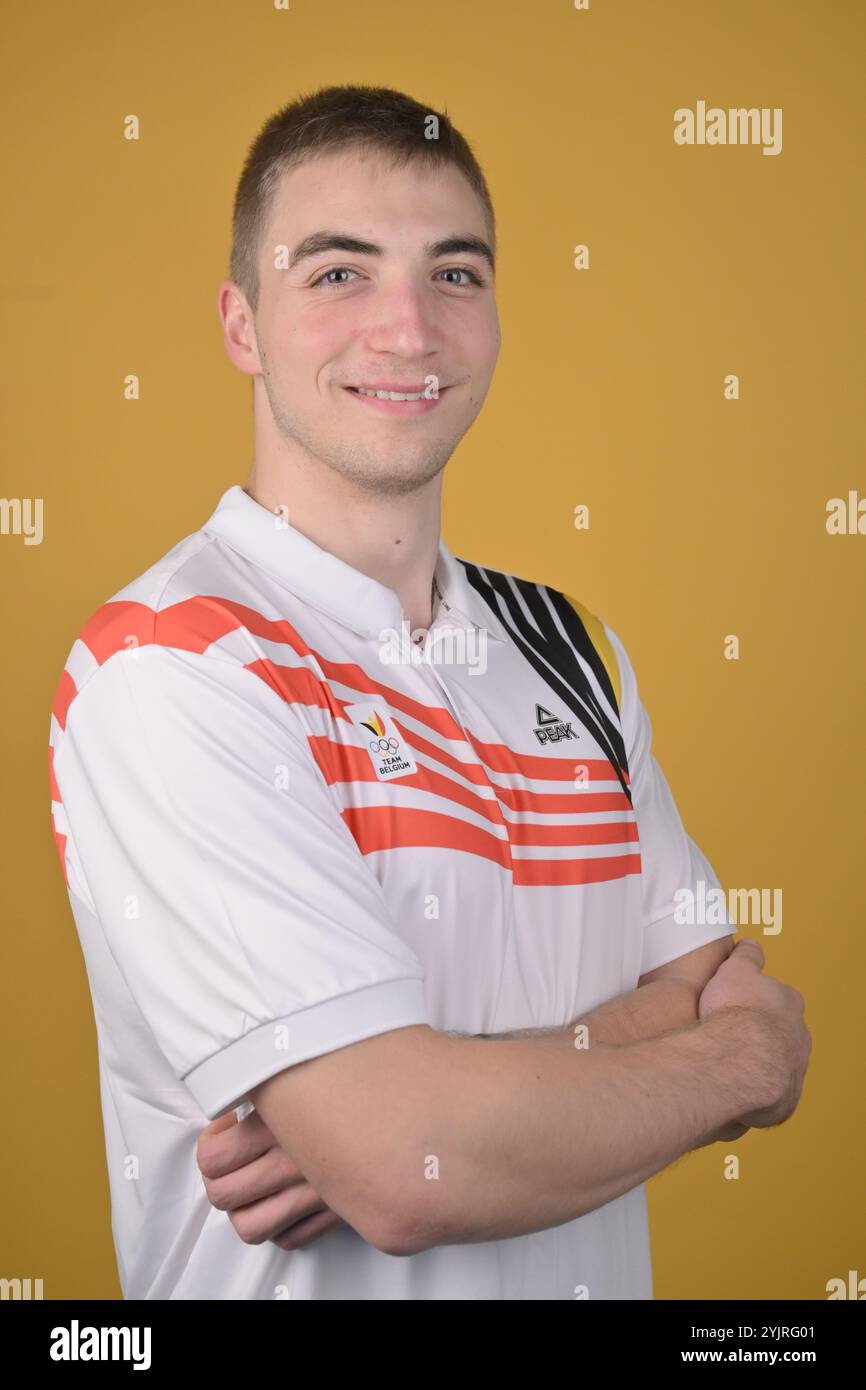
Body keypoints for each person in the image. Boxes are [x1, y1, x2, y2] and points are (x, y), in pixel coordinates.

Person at [48, 84, 810, 1301]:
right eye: (338, 273)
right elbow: (409, 1172)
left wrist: (424, 1094)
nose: (407, 330)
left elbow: (702, 979)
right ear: (242, 325)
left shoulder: (570, 648)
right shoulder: (171, 662)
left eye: (453, 274)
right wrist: (748, 1063)